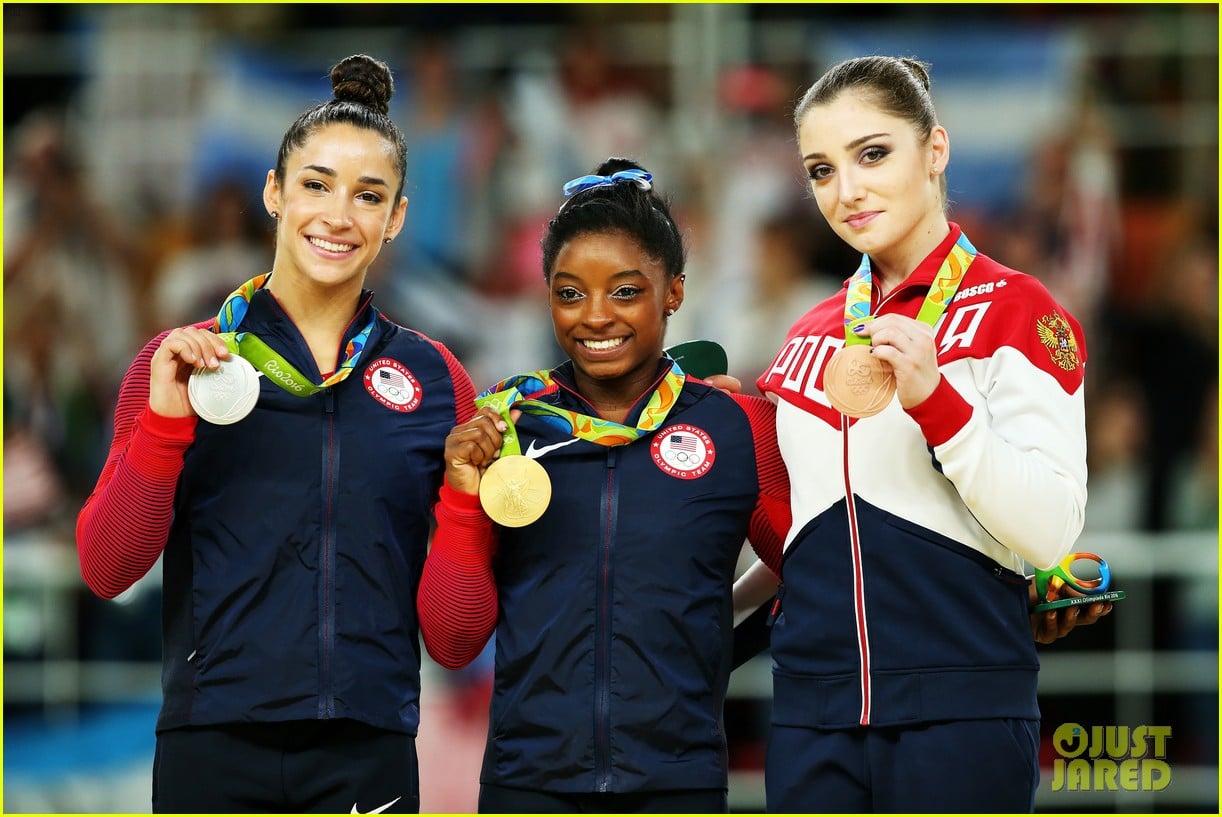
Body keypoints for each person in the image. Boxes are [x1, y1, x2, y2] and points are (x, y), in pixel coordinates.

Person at [75, 54, 475, 814]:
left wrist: (460, 504)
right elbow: (105, 567)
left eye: (368, 195)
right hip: (213, 741)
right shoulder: (183, 362)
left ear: (395, 218)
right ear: (274, 193)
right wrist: (165, 423)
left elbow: (455, 640)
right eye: (316, 184)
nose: (337, 215)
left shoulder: (435, 382)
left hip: (368, 747)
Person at [745, 55, 1099, 812]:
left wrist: (938, 401)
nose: (848, 191)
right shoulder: (807, 333)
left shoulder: (1018, 311)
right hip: (812, 714)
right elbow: (799, 537)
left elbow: (1050, 530)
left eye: (873, 154)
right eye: (821, 169)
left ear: (934, 150)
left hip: (958, 712)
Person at [416, 158, 790, 813]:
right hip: (526, 784)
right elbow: (452, 641)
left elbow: (816, 574)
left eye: (624, 291)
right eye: (569, 292)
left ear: (673, 291)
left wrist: (719, 636)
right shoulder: (504, 422)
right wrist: (459, 497)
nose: (595, 317)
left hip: (679, 784)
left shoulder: (736, 427)